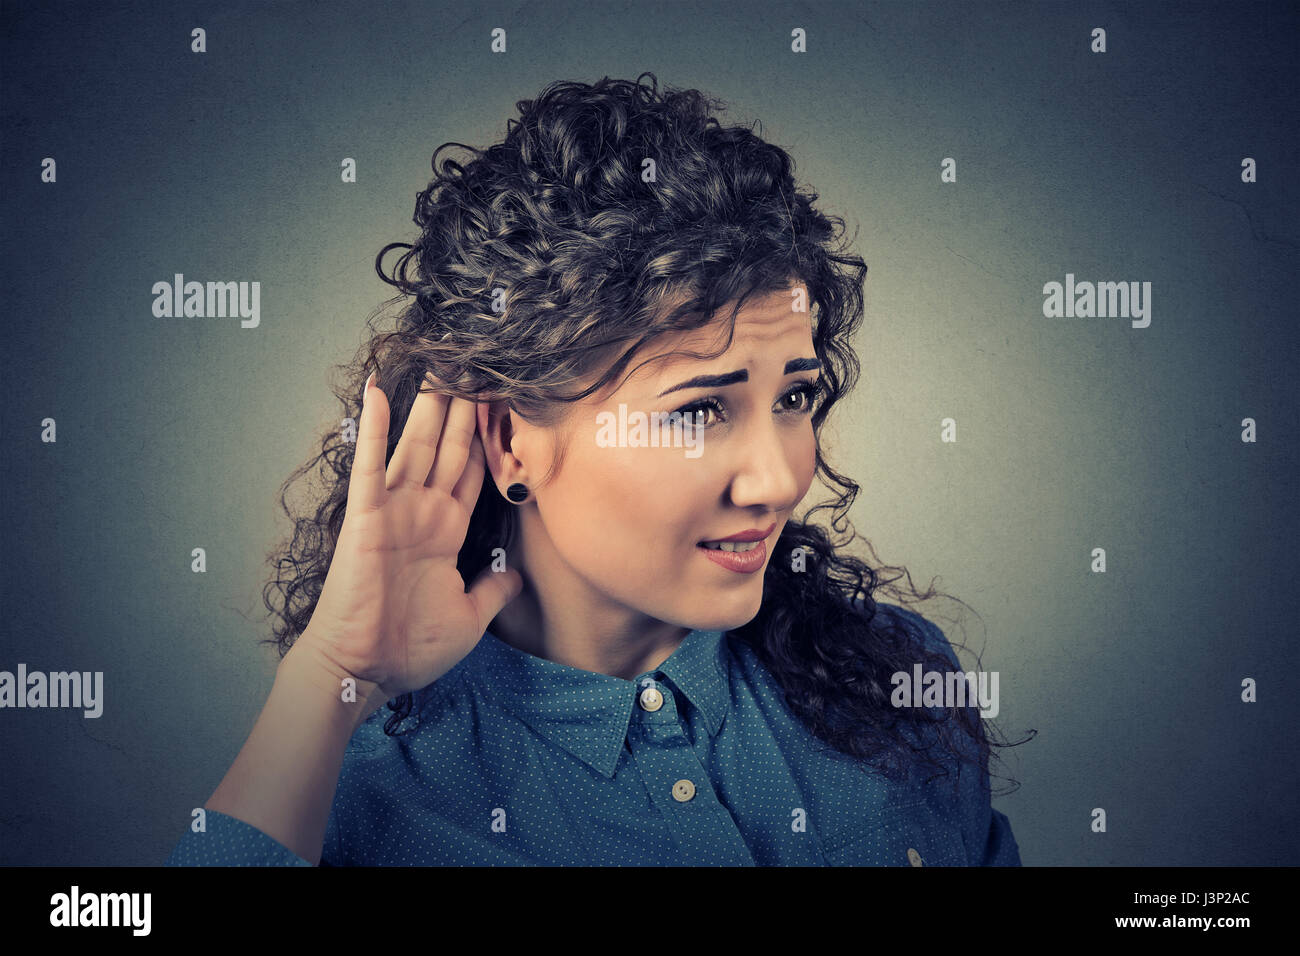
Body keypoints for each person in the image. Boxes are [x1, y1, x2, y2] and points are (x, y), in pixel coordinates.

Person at [164, 73, 1022, 867]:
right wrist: (326, 682)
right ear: (511, 445)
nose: (777, 480)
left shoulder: (893, 679)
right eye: (696, 411)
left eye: (793, 399)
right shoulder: (349, 796)